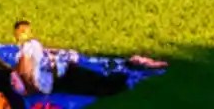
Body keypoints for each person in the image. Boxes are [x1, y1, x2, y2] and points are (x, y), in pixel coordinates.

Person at [12, 21, 150, 98]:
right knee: (88, 82)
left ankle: (121, 79)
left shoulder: (29, 48)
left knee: (88, 82)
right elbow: (26, 70)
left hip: (60, 76)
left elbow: (28, 67)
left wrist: (30, 86)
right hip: (59, 77)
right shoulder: (27, 51)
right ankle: (121, 80)